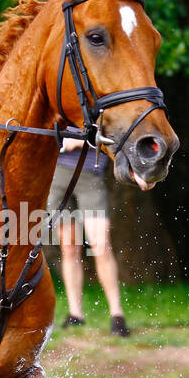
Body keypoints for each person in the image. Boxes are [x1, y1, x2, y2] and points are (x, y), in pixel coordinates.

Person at [48, 137, 131, 337]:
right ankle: (75, 314)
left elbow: (114, 135)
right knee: (69, 248)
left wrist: (78, 140)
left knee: (101, 246)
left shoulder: (100, 106)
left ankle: (117, 315)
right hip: (57, 174)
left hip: (90, 176)